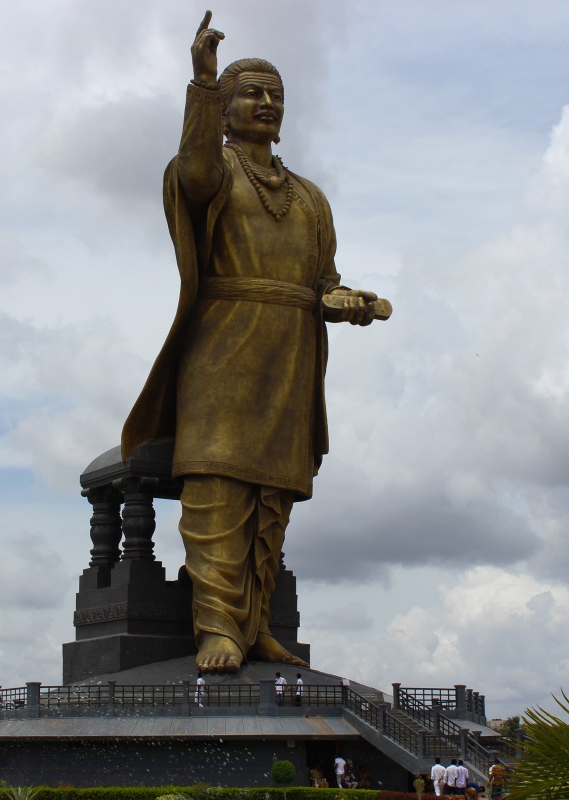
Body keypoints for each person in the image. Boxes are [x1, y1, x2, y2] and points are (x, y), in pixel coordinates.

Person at [120, 10, 382, 674]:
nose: (265, 104)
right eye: (251, 93)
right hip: (223, 341)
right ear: (229, 110)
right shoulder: (215, 173)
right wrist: (203, 86)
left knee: (271, 499)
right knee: (217, 489)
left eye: (275, 95)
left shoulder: (310, 198)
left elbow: (323, 281)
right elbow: (196, 173)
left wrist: (344, 302)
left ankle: (257, 624)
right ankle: (216, 626)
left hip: (290, 355)